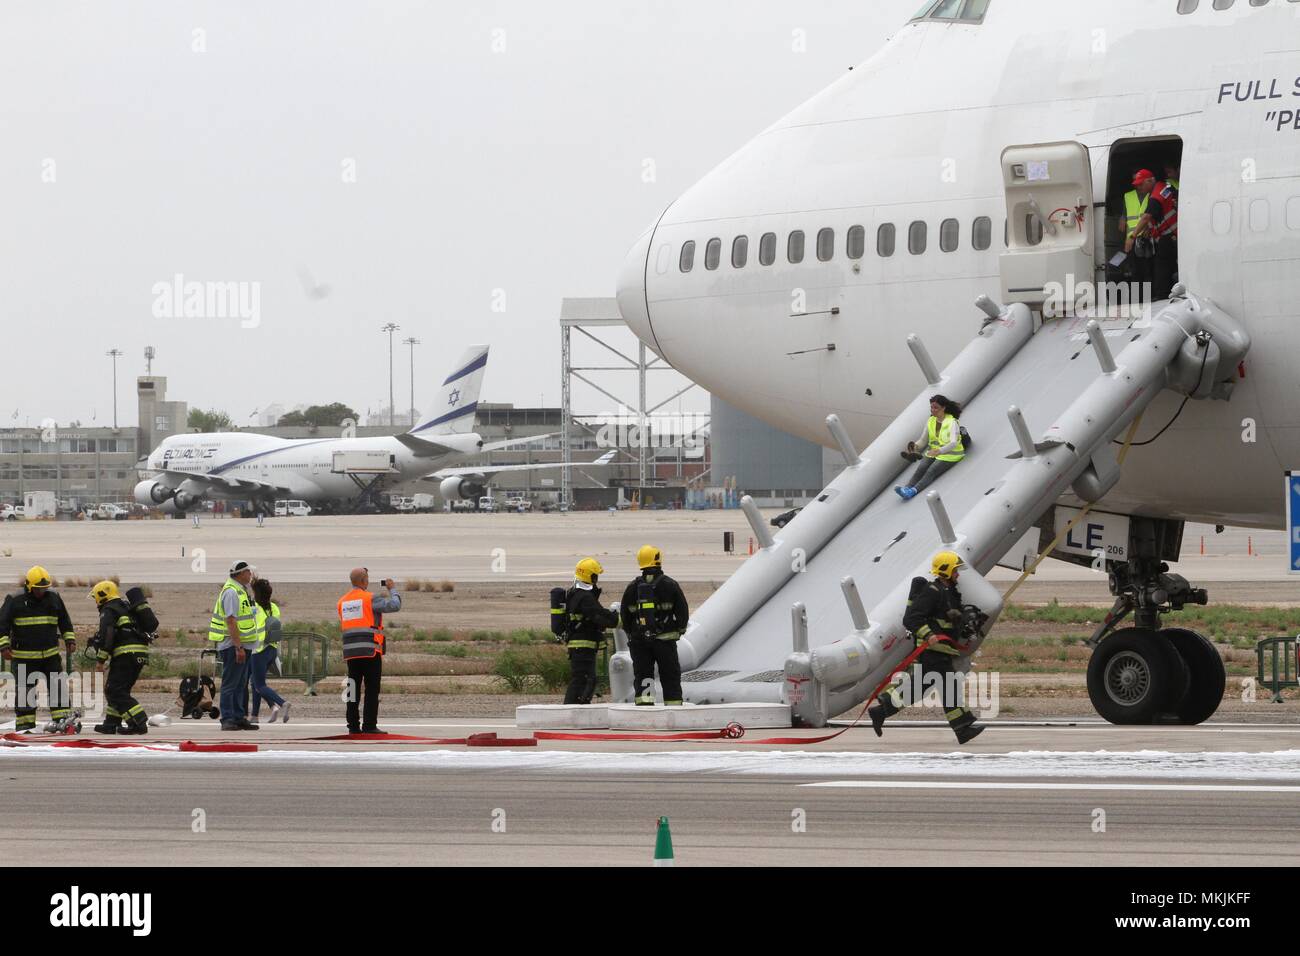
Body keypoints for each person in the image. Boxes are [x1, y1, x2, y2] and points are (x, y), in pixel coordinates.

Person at [869, 551, 984, 745]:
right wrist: (929, 635)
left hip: (943, 650)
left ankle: (882, 709)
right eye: (955, 570)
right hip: (933, 651)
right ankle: (963, 728)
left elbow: (945, 619)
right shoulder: (933, 591)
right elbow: (911, 618)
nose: (958, 574)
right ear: (945, 571)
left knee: (920, 687)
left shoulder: (949, 593)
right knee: (948, 687)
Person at [0, 566, 77, 733]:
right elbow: (2, 625)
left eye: (44, 588)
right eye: (38, 588)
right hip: (24, 658)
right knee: (25, 692)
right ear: (29, 586)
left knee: (58, 688)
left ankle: (62, 721)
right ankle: (25, 725)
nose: (41, 592)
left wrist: (70, 639)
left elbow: (64, 621)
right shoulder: (14, 600)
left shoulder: (54, 598)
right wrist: (4, 646)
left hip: (50, 656)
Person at [620, 545, 688, 706]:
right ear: (658, 560)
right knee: (669, 674)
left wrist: (633, 633)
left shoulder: (632, 587)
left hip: (639, 641)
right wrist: (680, 630)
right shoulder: (670, 585)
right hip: (665, 640)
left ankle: (645, 707)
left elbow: (625, 615)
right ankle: (673, 708)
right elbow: (682, 611)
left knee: (644, 675)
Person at [337, 567, 401, 734]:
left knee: (352, 689)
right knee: (372, 689)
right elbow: (395, 605)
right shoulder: (370, 598)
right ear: (364, 580)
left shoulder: (342, 602)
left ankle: (352, 726)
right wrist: (392, 588)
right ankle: (369, 726)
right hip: (370, 651)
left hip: (351, 653)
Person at [88, 580, 151, 735]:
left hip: (126, 654)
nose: (95, 602)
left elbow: (107, 636)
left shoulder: (108, 610)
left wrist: (100, 661)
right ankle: (111, 723)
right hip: (139, 654)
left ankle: (138, 722)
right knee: (118, 689)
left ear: (102, 596)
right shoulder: (126, 606)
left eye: (96, 597)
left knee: (114, 691)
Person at [208, 559, 258, 731]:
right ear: (240, 574)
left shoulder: (242, 590)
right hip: (233, 646)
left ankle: (238, 716)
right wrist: (238, 647)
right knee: (230, 683)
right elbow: (231, 621)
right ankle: (227, 718)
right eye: (248, 572)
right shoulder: (231, 592)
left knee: (240, 683)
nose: (250, 575)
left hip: (244, 645)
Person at [562, 558, 618, 705]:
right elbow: (598, 614)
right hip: (583, 646)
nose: (597, 579)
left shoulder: (576, 593)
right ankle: (571, 710)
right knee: (583, 679)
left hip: (582, 646)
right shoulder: (585, 597)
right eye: (595, 575)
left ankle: (579, 707)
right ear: (589, 576)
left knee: (587, 680)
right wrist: (616, 620)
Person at [895, 395, 965, 500]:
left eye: (935, 407)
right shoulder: (931, 421)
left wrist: (940, 451)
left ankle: (913, 491)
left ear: (943, 408)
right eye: (931, 407)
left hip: (950, 454)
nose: (933, 410)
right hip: (933, 452)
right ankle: (906, 488)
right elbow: (923, 440)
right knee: (921, 468)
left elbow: (953, 443)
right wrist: (916, 447)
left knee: (931, 471)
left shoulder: (952, 422)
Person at [1130, 168, 1178, 302]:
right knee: (1169, 268)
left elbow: (1146, 217)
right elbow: (1159, 214)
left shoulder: (1155, 196)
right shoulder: (1164, 188)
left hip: (1168, 239)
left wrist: (1132, 237)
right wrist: (1149, 230)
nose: (1139, 187)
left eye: (1141, 184)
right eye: (1137, 185)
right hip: (1173, 237)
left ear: (1151, 181)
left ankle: (1162, 298)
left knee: (1161, 270)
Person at [248, 578, 290, 724]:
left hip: (259, 650)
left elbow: (249, 614)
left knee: (259, 685)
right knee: (254, 681)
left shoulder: (254, 608)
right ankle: (256, 715)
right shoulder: (274, 607)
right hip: (272, 649)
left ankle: (282, 703)